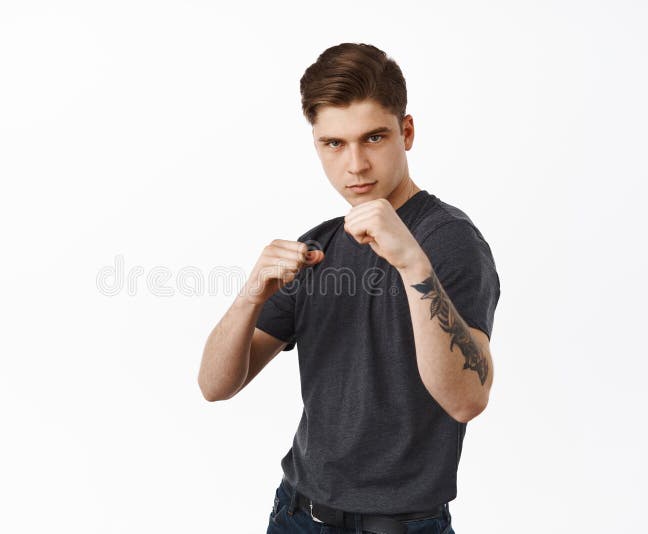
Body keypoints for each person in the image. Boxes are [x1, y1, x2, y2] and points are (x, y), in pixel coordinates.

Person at [197, 43, 501, 534]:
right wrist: (251, 293)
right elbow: (216, 385)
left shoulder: (447, 240)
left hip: (396, 524)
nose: (355, 164)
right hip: (296, 512)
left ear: (406, 132)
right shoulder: (318, 245)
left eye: (373, 138)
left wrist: (412, 265)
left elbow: (468, 400)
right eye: (333, 144)